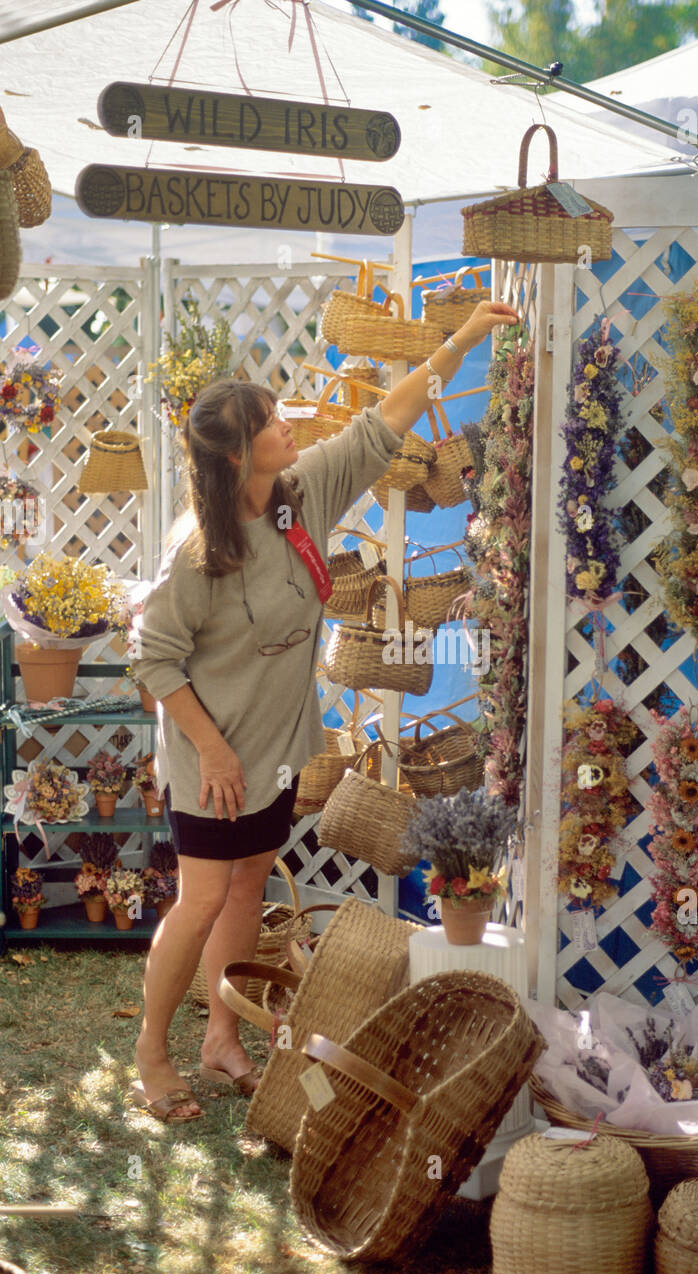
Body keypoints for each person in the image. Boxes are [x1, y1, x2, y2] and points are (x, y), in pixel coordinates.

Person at [129, 296, 521, 1121]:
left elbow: (386, 418)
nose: (289, 425)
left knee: (247, 888)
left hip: (274, 745)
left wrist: (464, 338)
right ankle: (152, 1053)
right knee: (200, 899)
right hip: (212, 755)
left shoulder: (297, 497)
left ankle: (221, 1042)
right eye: (271, 423)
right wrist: (215, 753)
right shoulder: (194, 551)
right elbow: (153, 657)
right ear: (235, 454)